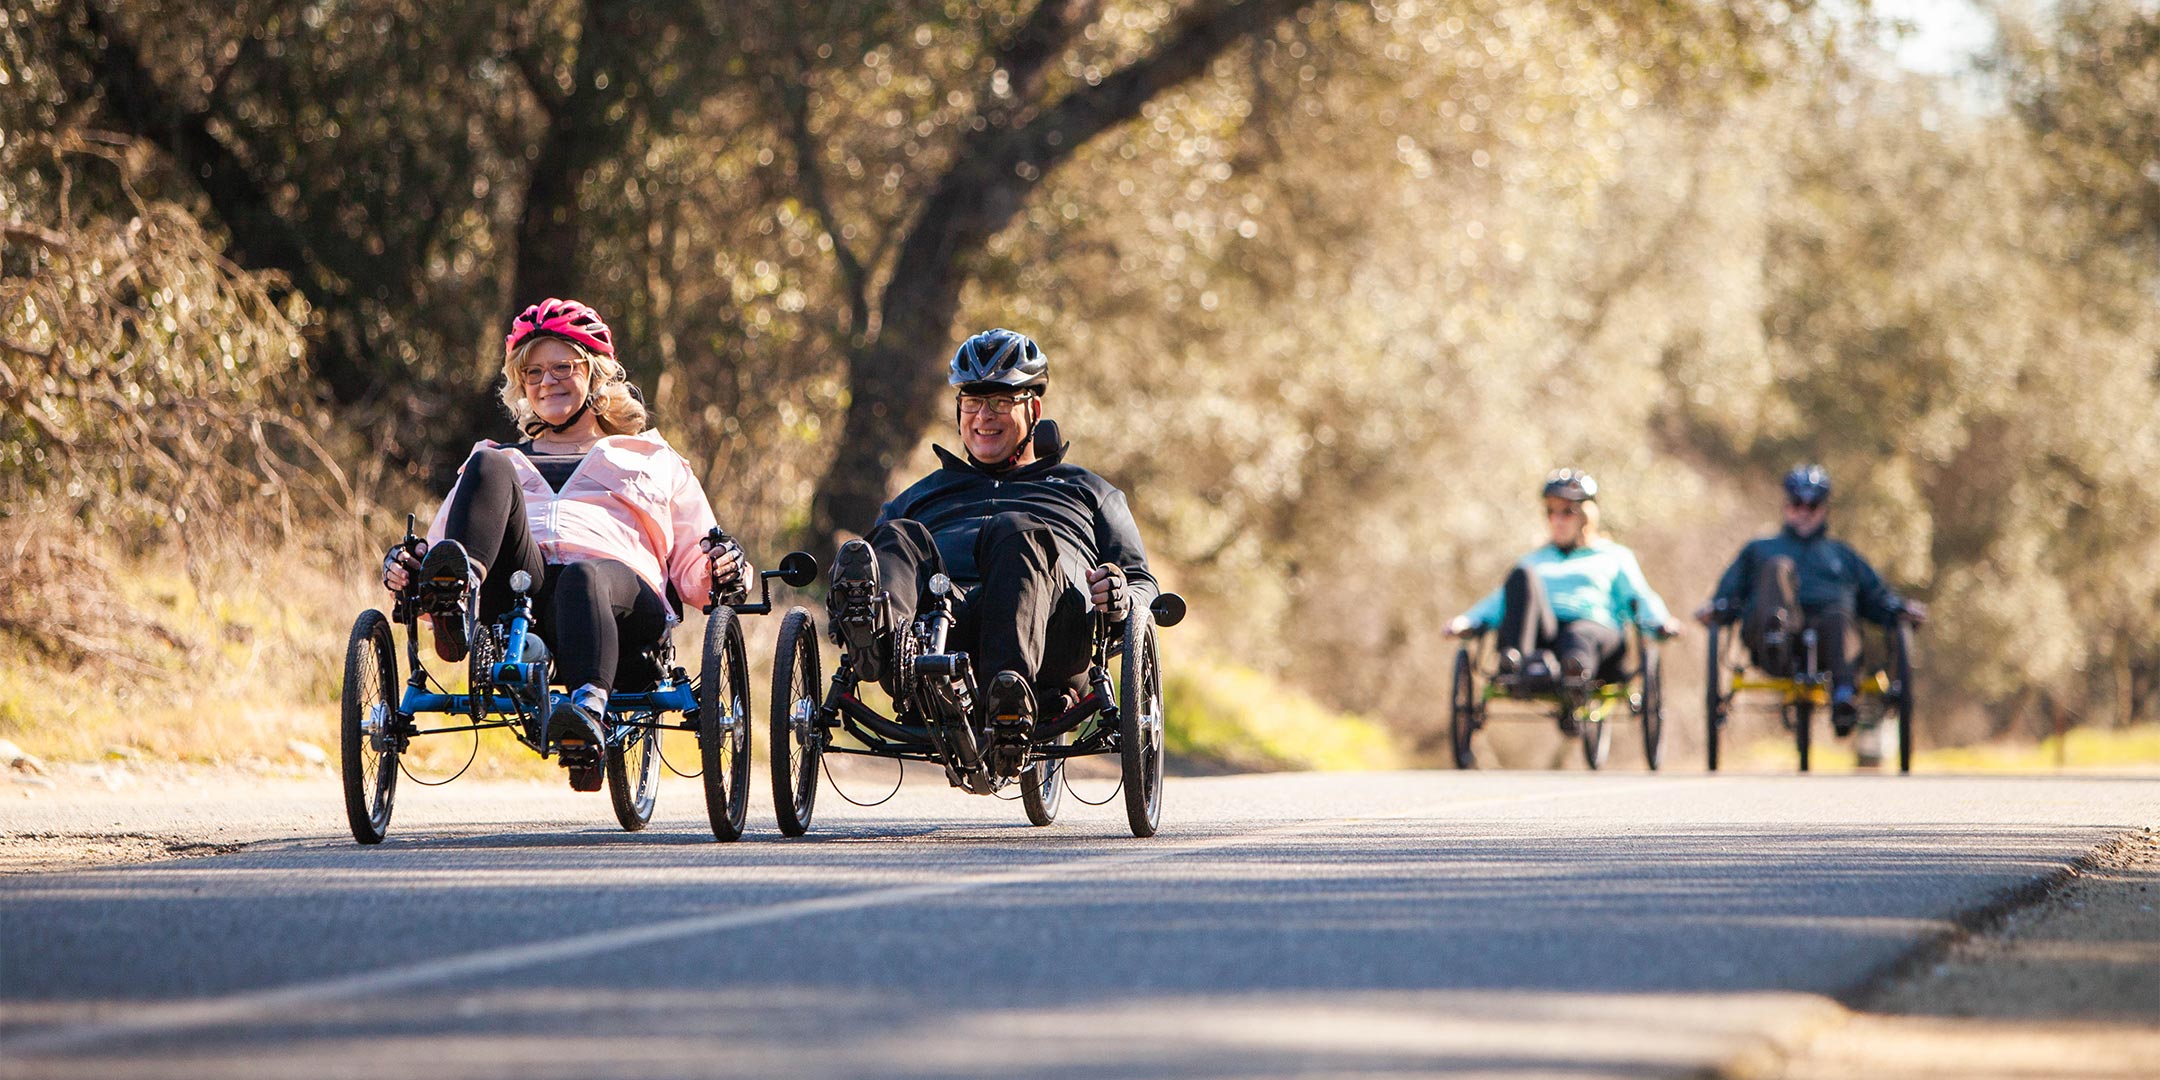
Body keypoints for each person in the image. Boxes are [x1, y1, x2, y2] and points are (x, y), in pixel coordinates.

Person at [382, 298, 744, 764]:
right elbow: (440, 548)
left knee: (582, 575)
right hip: (518, 602)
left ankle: (587, 710)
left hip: (619, 604)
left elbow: (697, 565)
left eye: (561, 367)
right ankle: (459, 602)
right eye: (532, 373)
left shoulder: (651, 458)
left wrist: (723, 567)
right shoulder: (500, 462)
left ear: (594, 374)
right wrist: (409, 569)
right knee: (488, 462)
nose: (546, 381)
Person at [825, 328, 1158, 736]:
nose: (984, 416)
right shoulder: (919, 496)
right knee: (893, 535)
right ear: (958, 409)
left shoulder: (1090, 491)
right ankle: (878, 647)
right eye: (973, 402)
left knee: (1015, 529)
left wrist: (1121, 594)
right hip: (937, 637)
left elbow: (1145, 586)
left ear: (1034, 411)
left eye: (1001, 401)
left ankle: (1009, 692)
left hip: (1050, 635)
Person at [1692, 464, 1927, 733]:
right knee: (1778, 567)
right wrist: (1717, 609)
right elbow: (1729, 594)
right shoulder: (1760, 550)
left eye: (1812, 505)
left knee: (1840, 616)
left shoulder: (1842, 555)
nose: (1803, 512)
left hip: (1831, 642)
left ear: (1824, 509)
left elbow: (1876, 598)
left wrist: (1899, 610)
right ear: (1786, 506)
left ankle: (1844, 698)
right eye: (1796, 503)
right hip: (1775, 643)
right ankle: (1776, 640)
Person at [1445, 470, 1682, 690]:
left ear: (1586, 516)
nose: (1557, 520)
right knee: (1521, 576)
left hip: (1596, 633)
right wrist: (1468, 621)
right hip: (1544, 637)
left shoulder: (1613, 556)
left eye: (1567, 512)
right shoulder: (1535, 559)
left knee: (1577, 634)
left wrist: (1660, 622)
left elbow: (1639, 596)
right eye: (1551, 512)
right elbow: (1500, 601)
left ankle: (1574, 670)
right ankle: (1518, 663)